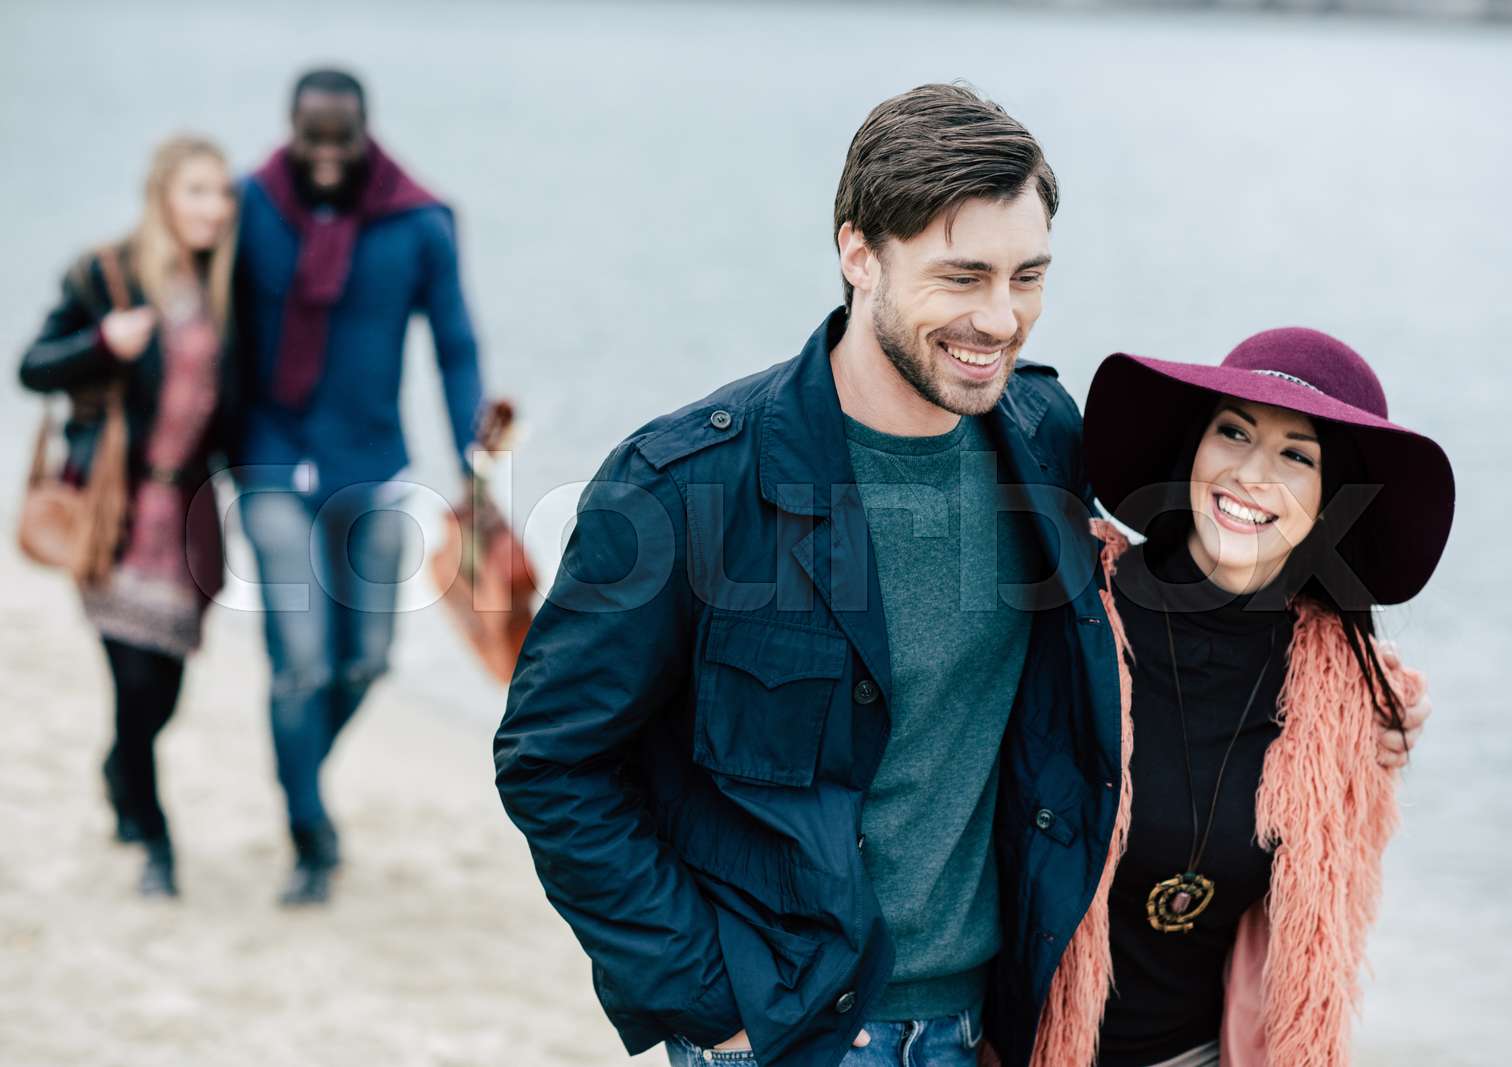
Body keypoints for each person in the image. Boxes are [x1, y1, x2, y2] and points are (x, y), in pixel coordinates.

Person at [493, 85, 1426, 1067]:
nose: (1000, 317)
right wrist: (698, 994)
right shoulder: (686, 484)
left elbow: (1201, 567)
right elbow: (551, 758)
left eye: (1028, 276)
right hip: (782, 1028)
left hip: (985, 1027)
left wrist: (1346, 679)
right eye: (963, 275)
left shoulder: (1048, 443)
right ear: (858, 252)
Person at [1032, 329, 1453, 1067]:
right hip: (1021, 1043)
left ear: (1331, 503)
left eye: (1298, 455)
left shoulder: (1339, 696)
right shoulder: (1074, 614)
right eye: (1233, 431)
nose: (1252, 474)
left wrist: (1396, 714)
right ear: (1193, 449)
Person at [231, 67, 483, 905]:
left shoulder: (419, 224)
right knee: (300, 662)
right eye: (314, 135)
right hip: (269, 458)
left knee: (367, 661)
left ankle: (298, 775)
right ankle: (310, 831)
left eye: (345, 136)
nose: (329, 153)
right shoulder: (250, 208)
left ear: (367, 131)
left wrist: (472, 460)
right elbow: (191, 311)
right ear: (290, 129)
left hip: (372, 465)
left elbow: (454, 345)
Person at [19, 135, 238, 898]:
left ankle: (119, 767)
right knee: (132, 684)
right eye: (197, 191)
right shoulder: (106, 275)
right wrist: (101, 342)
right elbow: (33, 367)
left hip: (188, 518)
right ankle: (157, 841)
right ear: (162, 197)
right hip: (112, 512)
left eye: (222, 192)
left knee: (164, 694)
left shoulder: (229, 287)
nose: (213, 207)